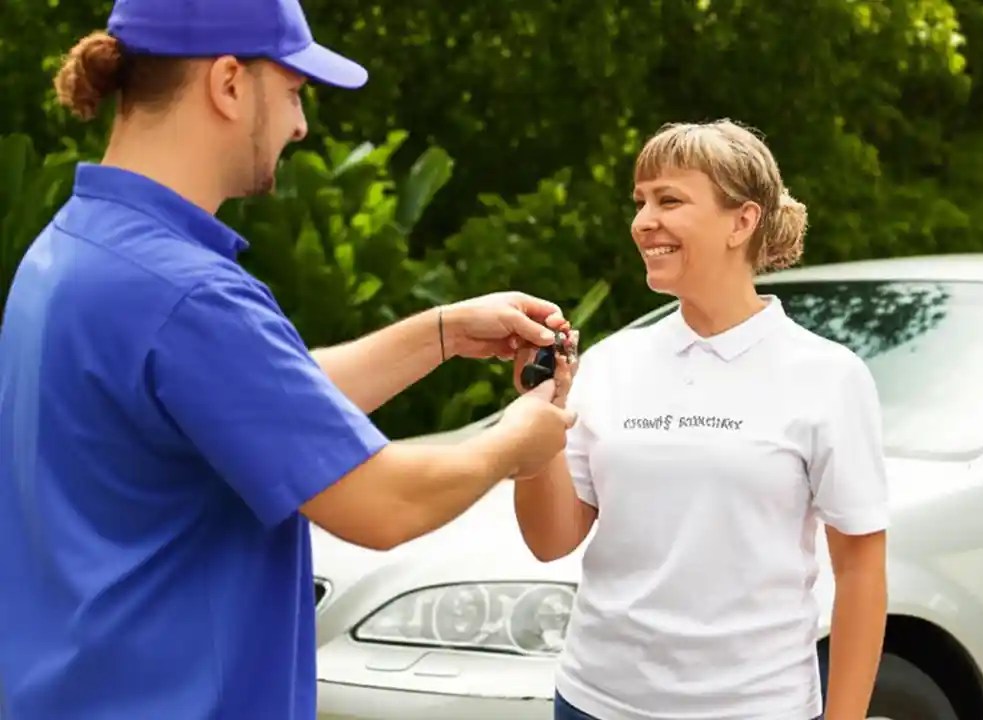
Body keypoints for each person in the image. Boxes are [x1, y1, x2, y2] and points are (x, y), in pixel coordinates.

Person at [0, 1, 575, 718]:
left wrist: (441, 333)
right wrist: (516, 442)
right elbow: (383, 503)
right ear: (230, 83)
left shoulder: (74, 248)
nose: (301, 124)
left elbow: (256, 407)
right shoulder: (187, 294)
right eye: (295, 91)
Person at [512, 119, 890, 720]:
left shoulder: (826, 376)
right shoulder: (612, 362)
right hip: (594, 702)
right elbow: (550, 540)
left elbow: (861, 570)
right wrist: (541, 422)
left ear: (742, 221)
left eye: (670, 200)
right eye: (640, 201)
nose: (643, 222)